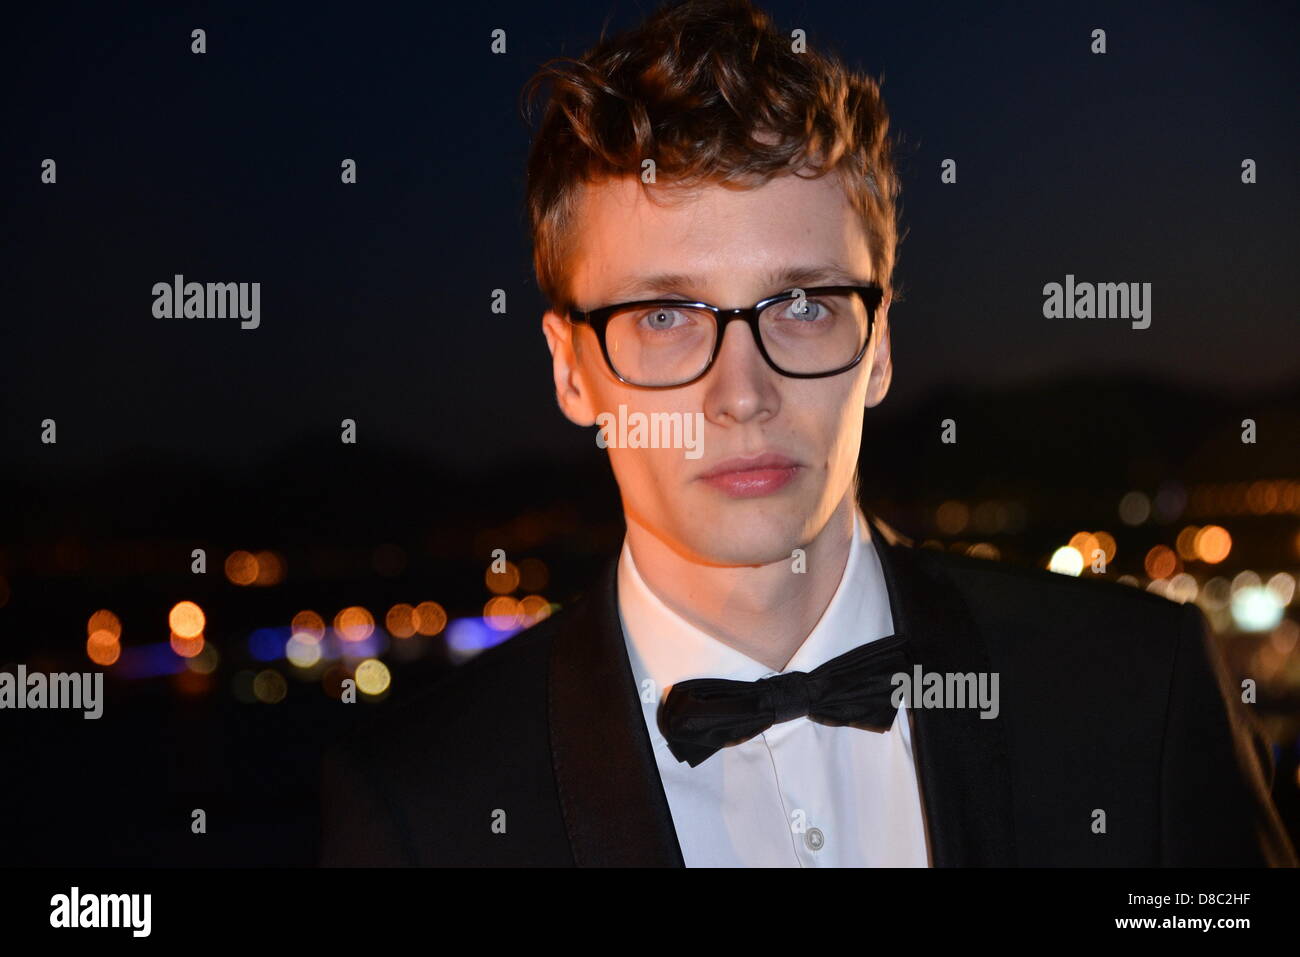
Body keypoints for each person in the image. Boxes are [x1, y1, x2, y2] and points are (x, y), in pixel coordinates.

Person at [320, 0, 1295, 867]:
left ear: (877, 346)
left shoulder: (1142, 690)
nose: (739, 395)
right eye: (664, 317)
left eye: (800, 306)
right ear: (571, 370)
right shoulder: (419, 806)